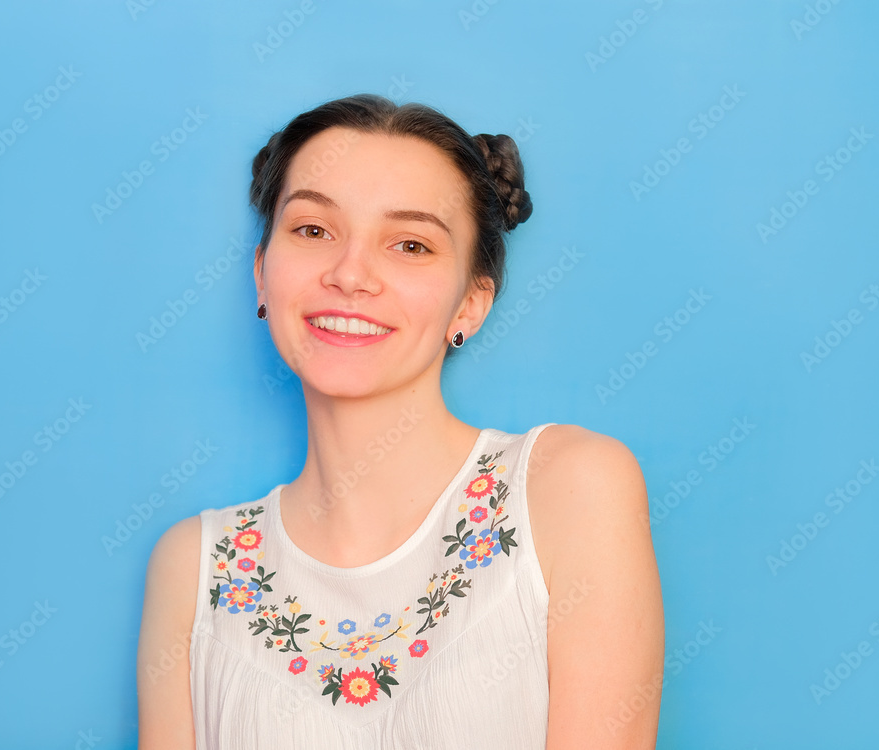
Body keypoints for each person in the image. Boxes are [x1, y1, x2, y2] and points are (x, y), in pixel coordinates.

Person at [136, 93, 664, 749]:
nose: (350, 274)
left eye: (410, 244)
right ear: (262, 275)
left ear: (470, 304)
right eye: (312, 231)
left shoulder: (569, 489)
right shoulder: (195, 567)